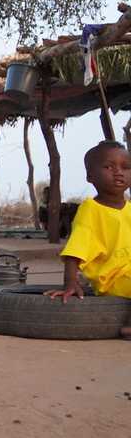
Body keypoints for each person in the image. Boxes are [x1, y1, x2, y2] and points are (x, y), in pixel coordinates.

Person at [45, 141, 131, 339]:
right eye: (109, 167)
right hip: (112, 278)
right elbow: (75, 250)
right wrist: (71, 282)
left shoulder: (129, 210)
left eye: (125, 167)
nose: (119, 172)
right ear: (90, 176)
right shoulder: (90, 209)